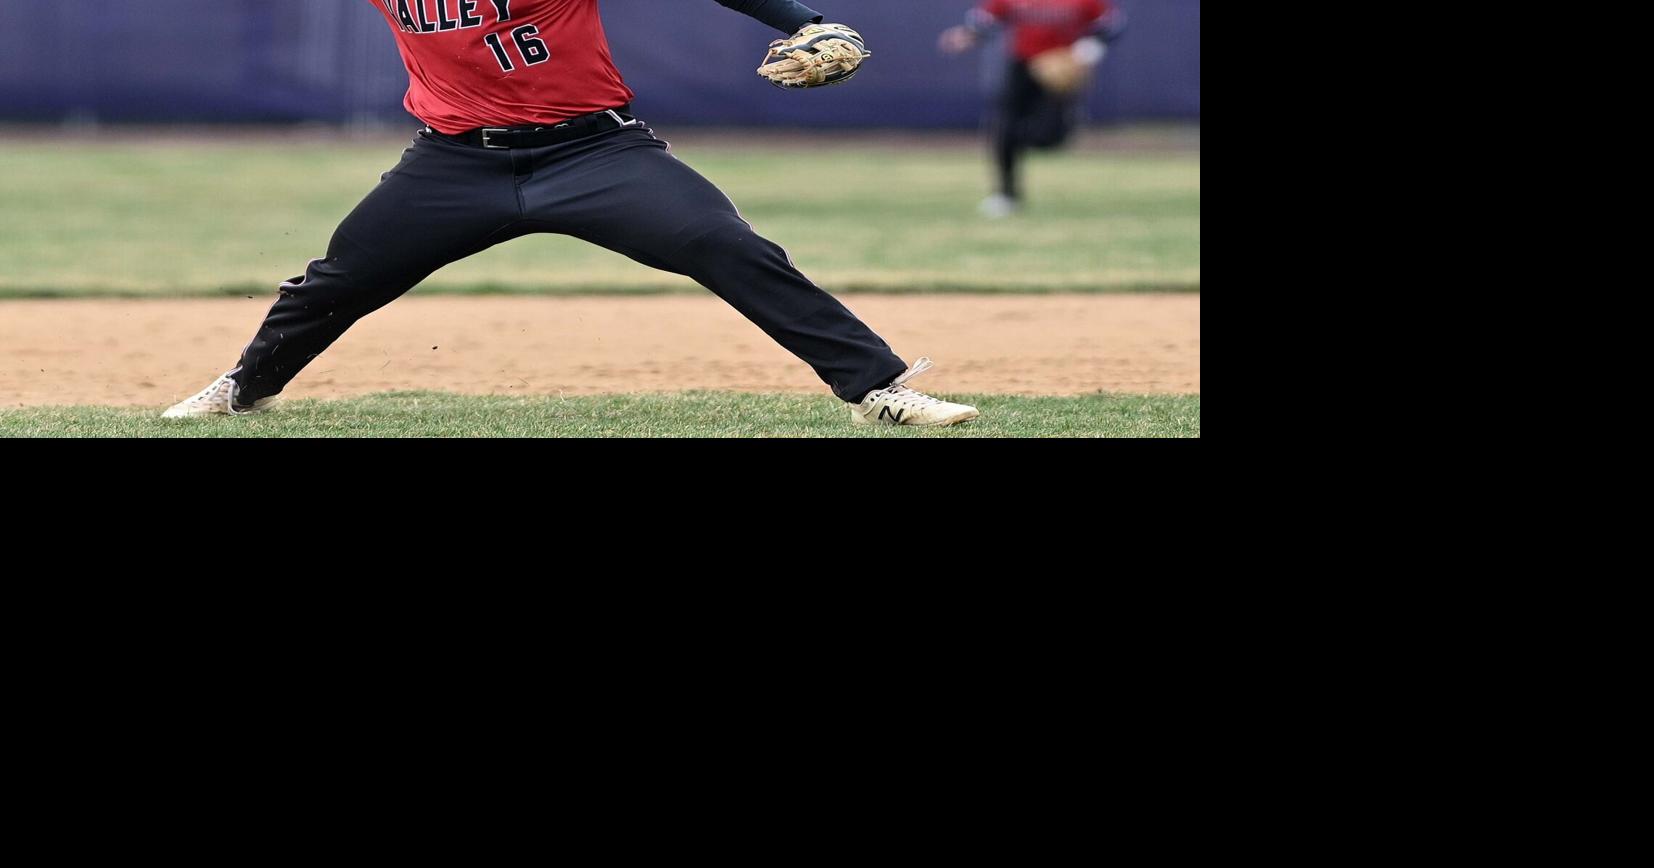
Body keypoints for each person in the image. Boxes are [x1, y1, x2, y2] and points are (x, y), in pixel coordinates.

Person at [164, 0, 979, 429]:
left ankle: (878, 390)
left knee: (726, 244)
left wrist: (804, 20)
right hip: (453, 160)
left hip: (595, 154)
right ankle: (245, 388)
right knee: (341, 277)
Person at [940, 0, 1127, 217]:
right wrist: (968, 35)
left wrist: (1086, 50)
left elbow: (1112, 24)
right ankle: (1006, 194)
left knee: (1050, 136)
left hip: (1060, 67)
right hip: (1022, 65)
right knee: (1004, 126)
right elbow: (986, 19)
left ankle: (1040, 131)